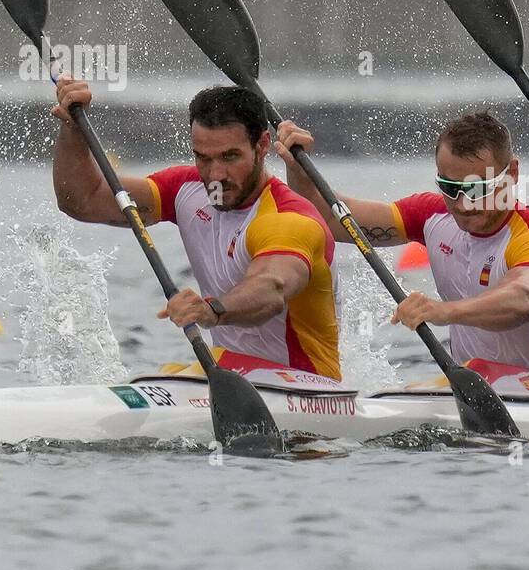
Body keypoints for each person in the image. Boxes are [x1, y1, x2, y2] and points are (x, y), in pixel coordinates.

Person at [51, 78, 341, 379]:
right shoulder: (186, 190)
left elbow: (272, 288)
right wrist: (73, 129)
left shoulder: (289, 218)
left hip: (307, 387)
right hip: (232, 373)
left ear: (262, 145)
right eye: (203, 157)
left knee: (178, 375)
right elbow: (83, 201)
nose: (215, 175)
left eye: (230, 157)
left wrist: (211, 310)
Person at [276, 111, 529, 386]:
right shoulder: (431, 215)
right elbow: (330, 218)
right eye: (451, 189)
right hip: (476, 389)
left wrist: (443, 311)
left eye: (478, 189)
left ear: (512, 174)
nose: (463, 205)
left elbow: (524, 300)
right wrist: (297, 168)